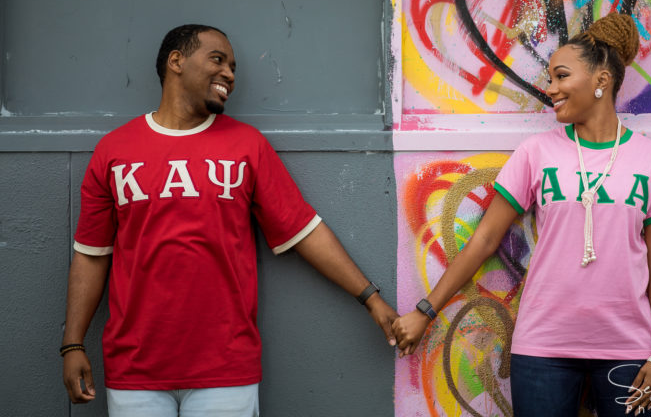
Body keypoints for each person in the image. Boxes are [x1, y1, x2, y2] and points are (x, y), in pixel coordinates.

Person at [61, 24, 398, 416]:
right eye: (217, 60)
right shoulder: (114, 151)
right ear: (176, 61)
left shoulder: (246, 146)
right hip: (135, 369)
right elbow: (91, 254)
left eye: (233, 68)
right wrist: (73, 344)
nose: (230, 76)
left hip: (225, 369)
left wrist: (371, 299)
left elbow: (304, 231)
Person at [392, 13, 651, 416]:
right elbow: (484, 240)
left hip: (629, 350)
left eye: (561, 77)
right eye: (551, 79)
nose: (551, 89)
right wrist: (426, 311)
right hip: (543, 348)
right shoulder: (536, 152)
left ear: (602, 81)